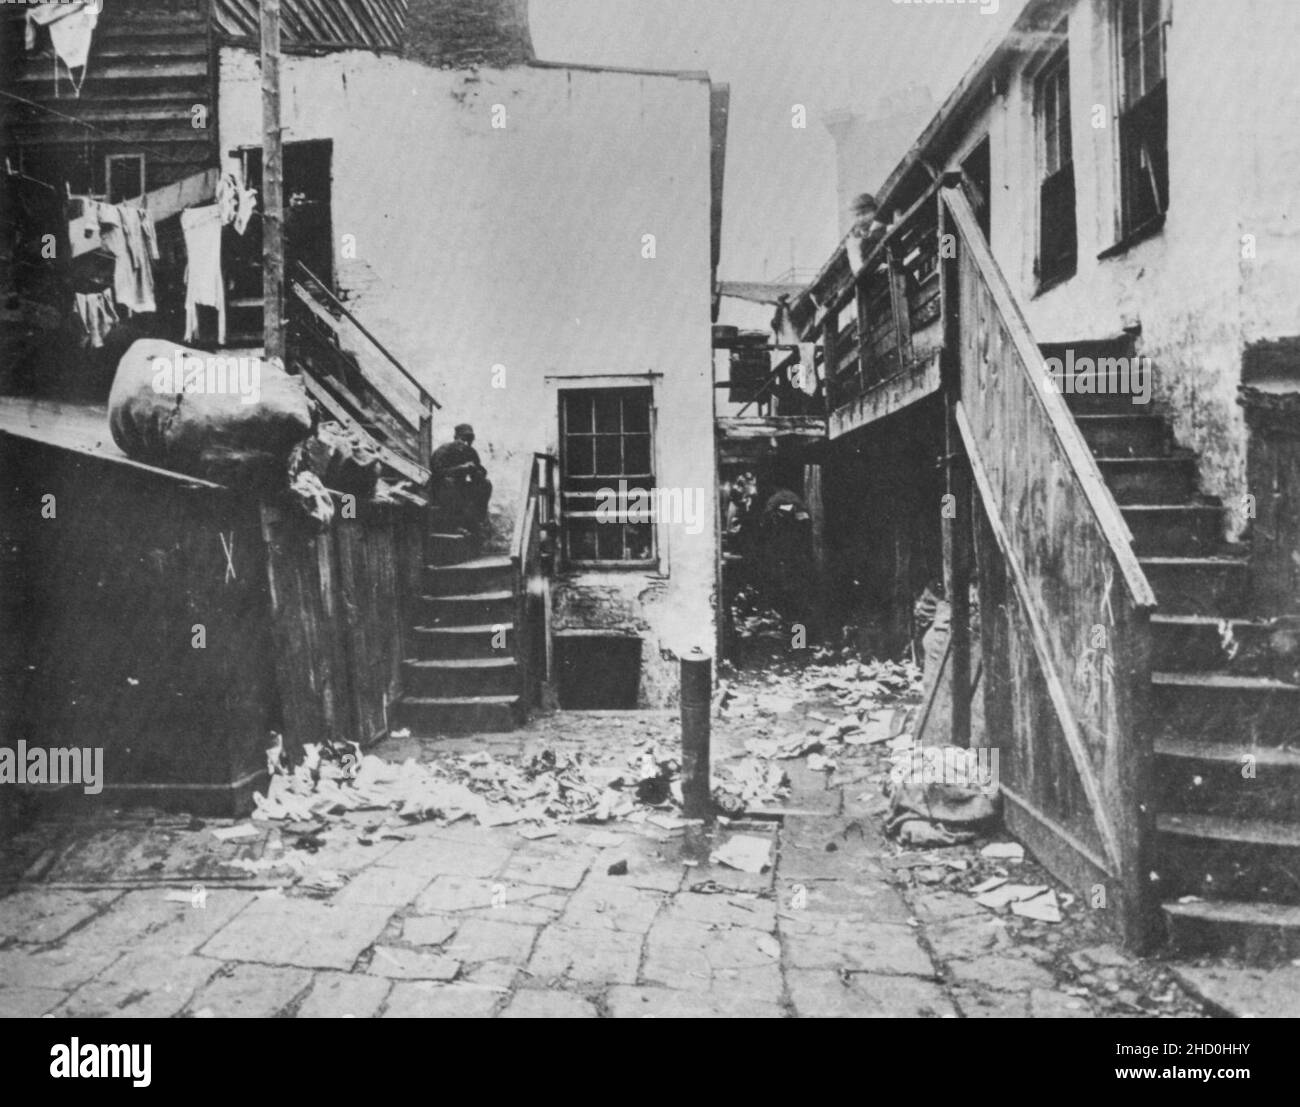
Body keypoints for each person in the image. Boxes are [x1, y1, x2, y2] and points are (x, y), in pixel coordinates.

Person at [430, 423, 492, 535]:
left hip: (460, 487)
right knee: (449, 483)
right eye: (463, 439)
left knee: (485, 484)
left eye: (469, 439)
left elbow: (481, 472)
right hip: (440, 489)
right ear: (456, 438)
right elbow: (437, 472)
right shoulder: (444, 450)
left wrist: (477, 472)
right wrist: (460, 468)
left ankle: (478, 520)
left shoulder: (471, 452)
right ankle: (454, 525)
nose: (465, 442)